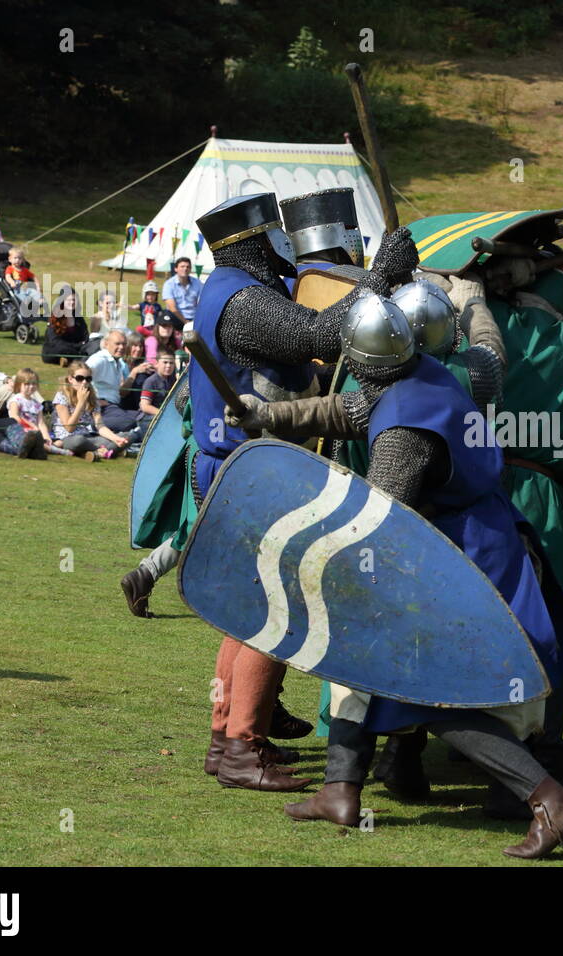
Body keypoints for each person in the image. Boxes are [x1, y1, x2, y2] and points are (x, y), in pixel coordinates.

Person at [285, 294, 563, 859]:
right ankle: (340, 789)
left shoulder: (404, 431)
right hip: (475, 538)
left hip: (455, 557)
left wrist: (334, 567)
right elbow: (353, 410)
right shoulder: (427, 376)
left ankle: (548, 798)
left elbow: (384, 521)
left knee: (434, 692)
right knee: (358, 659)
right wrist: (270, 415)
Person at [179, 192, 417, 790]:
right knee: (276, 609)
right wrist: (383, 278)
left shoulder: (228, 287)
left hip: (247, 466)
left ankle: (226, 732)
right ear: (259, 242)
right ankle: (242, 747)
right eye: (277, 234)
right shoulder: (244, 300)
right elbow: (320, 334)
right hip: (254, 469)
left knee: (247, 610)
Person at [51, 361, 129, 459]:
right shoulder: (61, 396)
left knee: (126, 436)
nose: (84, 382)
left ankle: (94, 451)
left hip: (88, 437)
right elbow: (69, 428)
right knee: (78, 441)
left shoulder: (92, 398)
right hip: (67, 437)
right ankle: (102, 451)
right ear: (71, 379)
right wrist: (81, 403)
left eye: (88, 379)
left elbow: (100, 425)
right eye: (79, 378)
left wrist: (116, 438)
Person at [86, 330, 151, 439]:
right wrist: (91, 400)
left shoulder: (117, 362)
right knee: (130, 422)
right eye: (117, 344)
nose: (121, 347)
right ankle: (92, 427)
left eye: (124, 344)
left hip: (114, 407)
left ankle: (125, 436)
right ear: (106, 344)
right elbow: (78, 376)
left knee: (146, 418)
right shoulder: (100, 359)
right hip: (101, 409)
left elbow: (122, 392)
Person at [42, 285, 89, 366]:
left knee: (90, 348)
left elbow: (86, 336)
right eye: (69, 300)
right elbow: (54, 341)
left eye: (74, 300)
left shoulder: (78, 318)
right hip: (56, 349)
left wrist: (83, 345)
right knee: (61, 349)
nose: (72, 302)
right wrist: (77, 346)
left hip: (75, 348)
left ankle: (68, 359)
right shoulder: (55, 318)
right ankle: (72, 358)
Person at [137, 350, 177, 422]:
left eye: (171, 363)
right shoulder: (151, 382)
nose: (168, 366)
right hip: (148, 418)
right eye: (165, 362)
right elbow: (145, 406)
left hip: (166, 416)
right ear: (156, 364)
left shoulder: (173, 380)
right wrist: (164, 414)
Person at [162, 256, 202, 325]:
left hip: (194, 317)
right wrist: (186, 322)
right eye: (182, 266)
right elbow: (172, 308)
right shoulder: (169, 284)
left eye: (188, 267)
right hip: (175, 317)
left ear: (190, 269)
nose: (185, 269)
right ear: (175, 269)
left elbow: (201, 303)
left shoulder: (198, 283)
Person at [4, 246, 41, 315]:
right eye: (15, 258)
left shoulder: (24, 270)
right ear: (10, 259)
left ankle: (38, 301)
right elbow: (7, 276)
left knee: (34, 292)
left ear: (22, 260)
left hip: (25, 288)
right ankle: (29, 305)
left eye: (19, 258)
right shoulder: (10, 268)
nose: (17, 260)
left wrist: (38, 286)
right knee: (23, 296)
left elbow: (33, 277)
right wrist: (12, 282)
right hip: (17, 289)